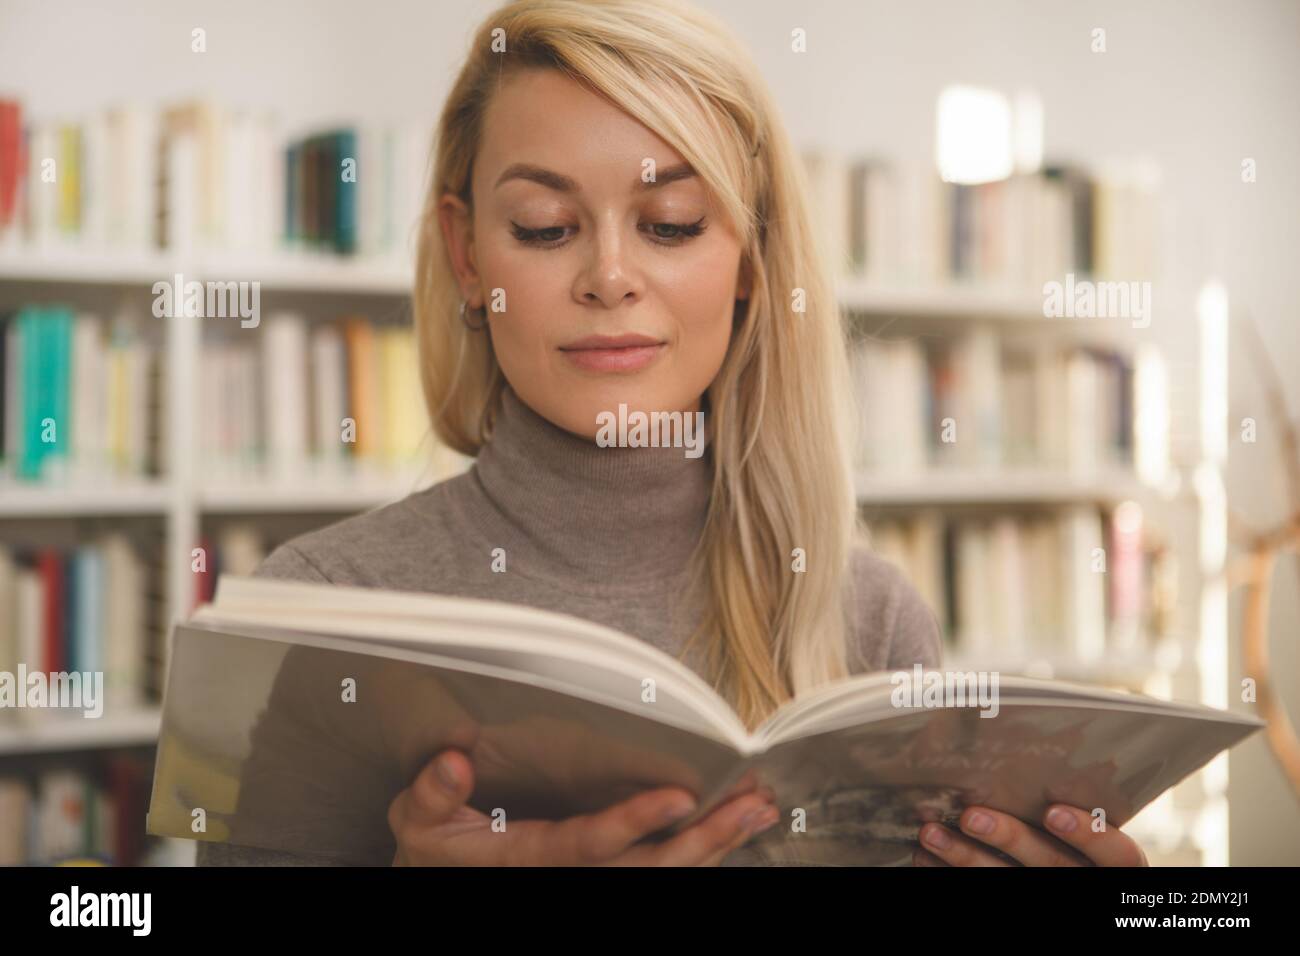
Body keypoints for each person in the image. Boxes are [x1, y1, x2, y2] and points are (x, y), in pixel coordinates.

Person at [199, 0, 1147, 868]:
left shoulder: (873, 617)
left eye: (670, 222)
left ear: (749, 257)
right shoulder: (304, 607)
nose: (610, 277)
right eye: (542, 227)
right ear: (465, 251)